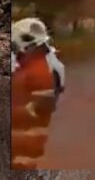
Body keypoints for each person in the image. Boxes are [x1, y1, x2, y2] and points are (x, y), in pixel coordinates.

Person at [11, 18, 65, 169]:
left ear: (26, 46)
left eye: (14, 46)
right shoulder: (29, 69)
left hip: (25, 152)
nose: (14, 51)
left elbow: (39, 110)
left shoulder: (39, 72)